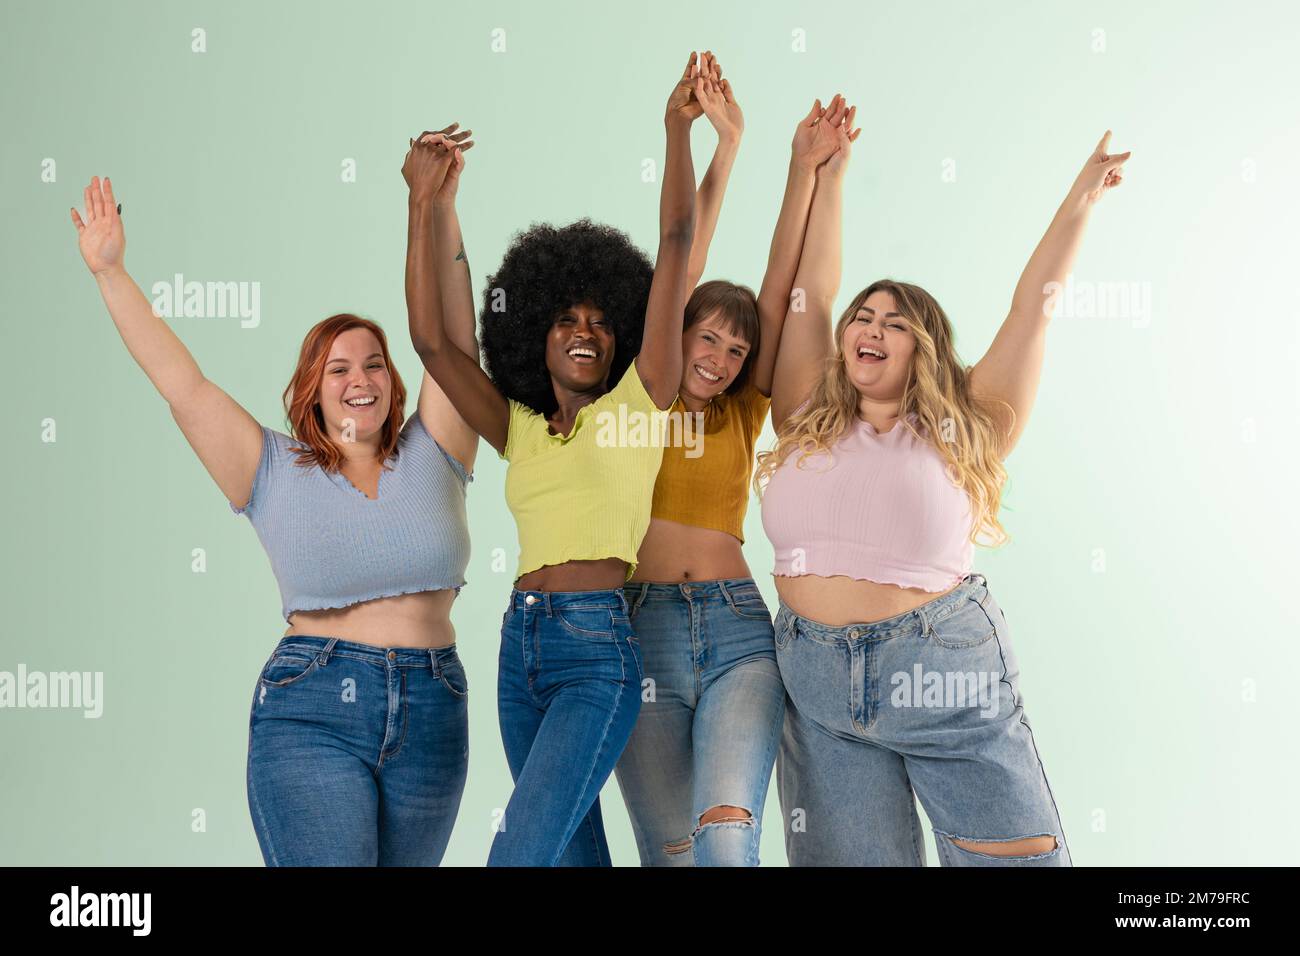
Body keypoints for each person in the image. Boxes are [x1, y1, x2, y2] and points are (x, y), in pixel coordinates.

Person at [70, 153, 480, 865]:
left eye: (374, 362)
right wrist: (111, 273)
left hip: (435, 707)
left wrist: (439, 205)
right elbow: (183, 385)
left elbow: (455, 339)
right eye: (339, 368)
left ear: (395, 380)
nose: (361, 378)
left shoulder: (437, 448)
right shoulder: (273, 469)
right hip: (311, 708)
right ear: (312, 392)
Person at [757, 123, 1131, 866]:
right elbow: (813, 291)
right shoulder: (802, 413)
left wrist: (1082, 197)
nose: (870, 328)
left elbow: (1033, 309)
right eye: (863, 318)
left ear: (922, 348)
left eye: (894, 324)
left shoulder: (966, 426)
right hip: (818, 687)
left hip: (941, 671)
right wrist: (828, 176)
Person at [404, 54, 703, 865]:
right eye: (565, 316)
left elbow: (679, 239)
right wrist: (424, 202)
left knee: (519, 852)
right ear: (535, 333)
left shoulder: (644, 400)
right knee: (569, 855)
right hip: (518, 649)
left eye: (602, 320)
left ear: (624, 340)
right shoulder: (520, 426)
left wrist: (678, 130)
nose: (584, 329)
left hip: (596, 652)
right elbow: (433, 342)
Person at [614, 77, 858, 865]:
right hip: (638, 631)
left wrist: (805, 169)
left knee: (726, 839)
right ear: (675, 337)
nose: (719, 360)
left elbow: (782, 288)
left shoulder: (744, 411)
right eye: (706, 340)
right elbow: (682, 249)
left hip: (736, 630)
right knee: (672, 851)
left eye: (736, 350)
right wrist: (712, 142)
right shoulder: (640, 398)